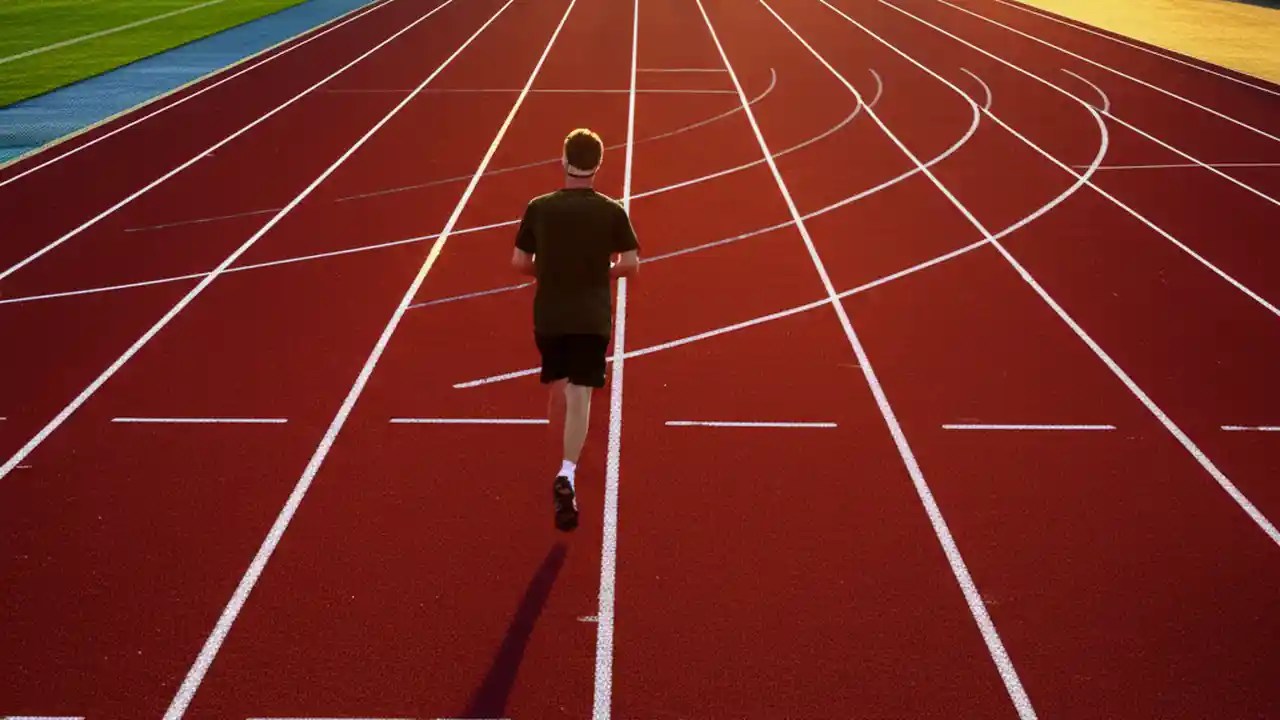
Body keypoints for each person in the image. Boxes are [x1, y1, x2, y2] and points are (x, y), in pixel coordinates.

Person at [511, 128, 640, 531]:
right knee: (581, 393)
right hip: (590, 316)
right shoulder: (612, 210)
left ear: (564, 160)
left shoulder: (539, 208)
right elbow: (631, 264)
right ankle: (566, 471)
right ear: (598, 164)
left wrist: (549, 274)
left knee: (559, 389)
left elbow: (519, 261)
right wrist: (603, 274)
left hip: (550, 315)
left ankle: (558, 461)